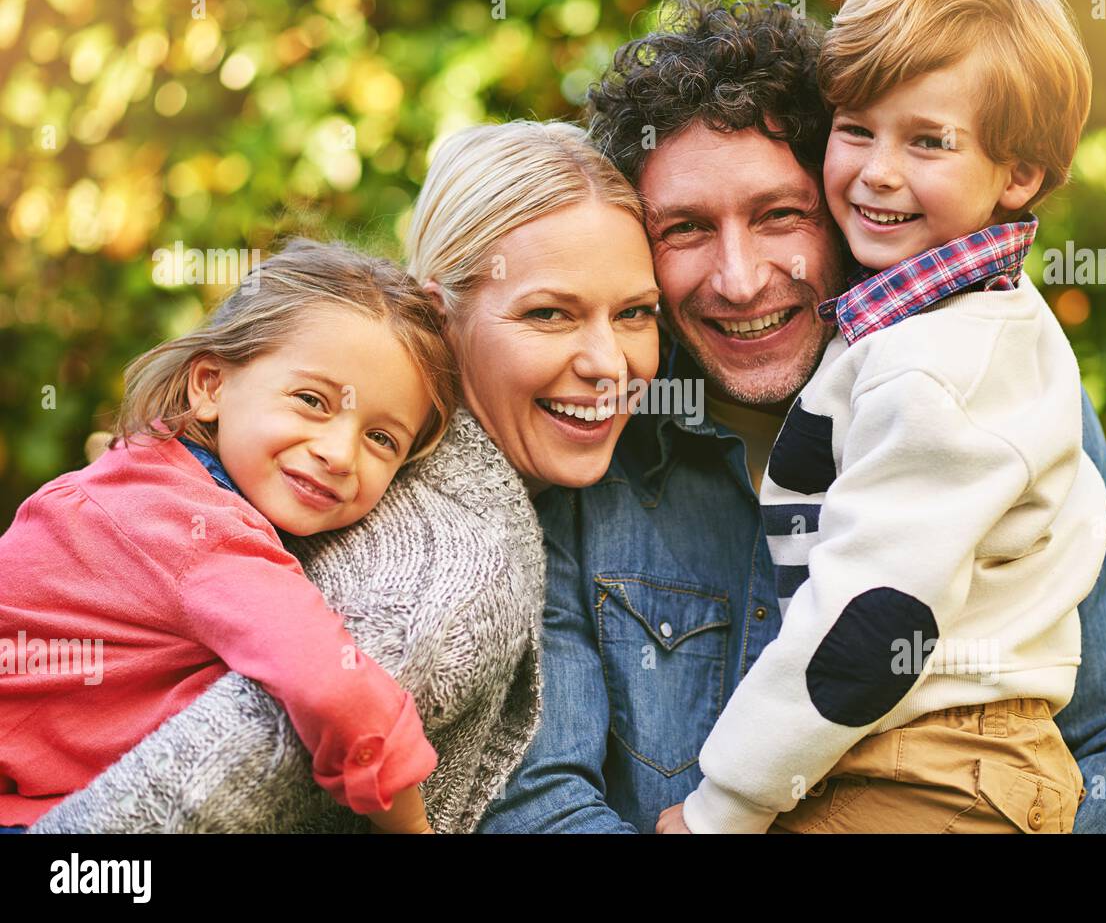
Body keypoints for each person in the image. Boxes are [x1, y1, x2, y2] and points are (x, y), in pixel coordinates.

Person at [477, 0, 1106, 834]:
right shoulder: (590, 436)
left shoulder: (997, 389)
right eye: (686, 230)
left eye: (781, 215)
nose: (740, 280)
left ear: (839, 206)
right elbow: (539, 800)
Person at [27, 121, 660, 834]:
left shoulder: (237, 473)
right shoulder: (445, 568)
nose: (609, 363)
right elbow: (185, 791)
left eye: (636, 312)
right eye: (549, 313)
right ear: (440, 312)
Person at [660, 0, 1106, 835]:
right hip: (951, 755)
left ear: (1018, 174)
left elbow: (871, 623)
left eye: (929, 142)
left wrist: (721, 808)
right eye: (857, 130)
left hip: (929, 765)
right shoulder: (974, 316)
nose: (877, 174)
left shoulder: (931, 371)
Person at [0, 240, 452, 834]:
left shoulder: (146, 475)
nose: (340, 453)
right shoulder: (194, 529)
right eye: (311, 401)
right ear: (210, 385)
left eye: (382, 439)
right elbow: (336, 692)